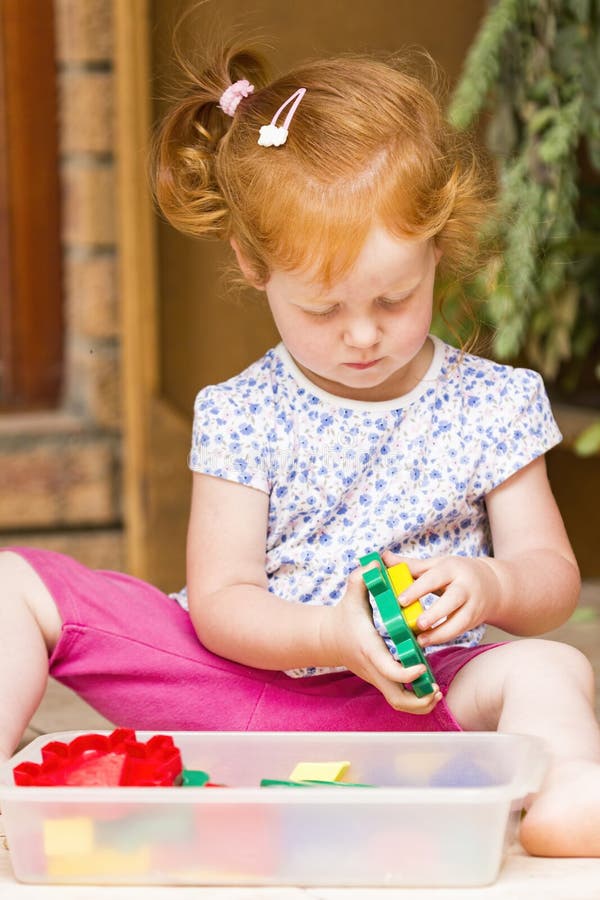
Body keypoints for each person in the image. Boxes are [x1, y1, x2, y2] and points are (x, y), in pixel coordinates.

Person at [1, 42, 599, 859]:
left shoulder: (493, 402)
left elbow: (552, 580)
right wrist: (329, 635)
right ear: (254, 265)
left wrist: (492, 583)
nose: (362, 335)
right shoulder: (243, 412)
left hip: (422, 706)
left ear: (436, 246)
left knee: (551, 668)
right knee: (17, 584)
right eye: (323, 309)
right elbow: (222, 603)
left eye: (395, 298)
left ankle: (567, 792)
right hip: (241, 698)